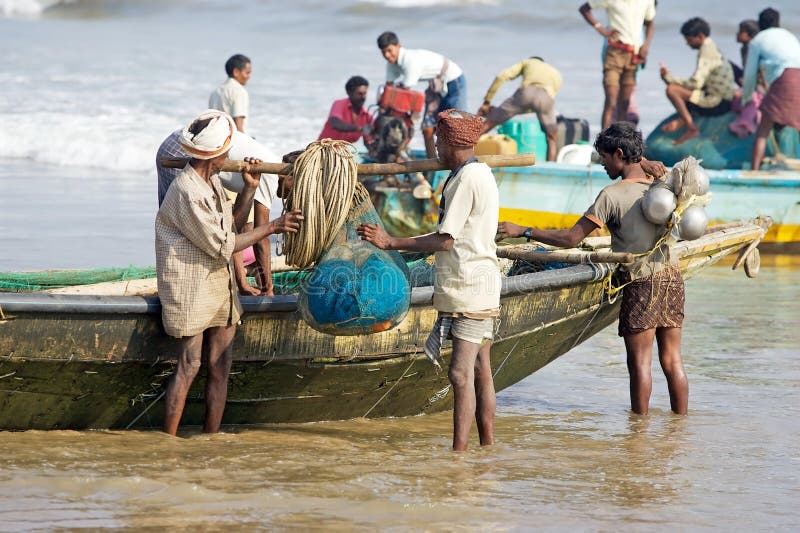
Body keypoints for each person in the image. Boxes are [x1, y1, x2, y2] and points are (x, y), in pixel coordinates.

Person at [498, 122, 687, 416]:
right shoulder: (659, 186)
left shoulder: (611, 195)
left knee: (639, 363)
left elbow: (571, 238)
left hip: (640, 282)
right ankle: (680, 428)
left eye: (605, 157)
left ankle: (637, 435)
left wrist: (523, 229)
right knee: (673, 361)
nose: (602, 164)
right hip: (671, 277)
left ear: (620, 153)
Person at [357, 110, 500, 451]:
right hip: (481, 282)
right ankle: (486, 448)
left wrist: (391, 242)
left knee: (460, 374)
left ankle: (459, 455)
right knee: (481, 369)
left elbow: (445, 239)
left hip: (468, 287)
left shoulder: (466, 179)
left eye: (437, 139)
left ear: (453, 143)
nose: (434, 144)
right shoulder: (479, 171)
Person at [155, 110, 303, 435]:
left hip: (220, 287)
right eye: (226, 150)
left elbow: (233, 226)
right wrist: (274, 226)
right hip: (191, 289)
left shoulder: (214, 183)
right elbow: (224, 245)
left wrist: (249, 189)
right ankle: (167, 441)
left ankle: (211, 438)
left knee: (220, 366)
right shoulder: (186, 191)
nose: (228, 155)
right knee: (190, 365)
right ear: (216, 154)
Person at [156, 128, 279, 296]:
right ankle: (183, 289)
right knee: (183, 233)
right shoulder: (270, 174)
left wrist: (243, 284)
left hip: (187, 143)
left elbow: (231, 229)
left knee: (208, 233)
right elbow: (259, 239)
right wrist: (268, 289)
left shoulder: (242, 176)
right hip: (183, 148)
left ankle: (220, 286)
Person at [377, 31, 467, 158]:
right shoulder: (391, 64)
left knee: (456, 126)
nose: (387, 55)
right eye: (383, 52)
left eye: (389, 50)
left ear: (399, 45)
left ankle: (461, 161)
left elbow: (405, 92)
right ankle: (432, 165)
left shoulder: (410, 60)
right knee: (428, 129)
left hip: (453, 80)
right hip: (435, 86)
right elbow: (389, 88)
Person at [579, 0, 656, 129]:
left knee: (624, 105)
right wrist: (602, 30)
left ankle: (621, 144)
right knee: (611, 101)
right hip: (614, 53)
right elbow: (584, 9)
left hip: (634, 54)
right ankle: (602, 145)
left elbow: (650, 23)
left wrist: (645, 46)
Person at [659, 17, 736, 145]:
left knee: (672, 90)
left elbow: (696, 83)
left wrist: (669, 79)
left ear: (700, 36)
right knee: (682, 90)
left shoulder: (707, 51)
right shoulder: (711, 47)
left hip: (717, 102)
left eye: (689, 40)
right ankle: (684, 120)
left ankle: (691, 128)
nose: (687, 43)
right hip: (723, 99)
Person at [741, 8, 800, 169]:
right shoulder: (789, 35)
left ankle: (754, 171)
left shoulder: (758, 40)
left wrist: (745, 98)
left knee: (763, 130)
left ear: (760, 24)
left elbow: (750, 74)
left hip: (785, 79)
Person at [476, 56, 563, 161]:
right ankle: (551, 168)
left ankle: (463, 152)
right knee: (552, 137)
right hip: (546, 98)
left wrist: (487, 101)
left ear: (533, 59)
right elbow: (539, 102)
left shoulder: (528, 62)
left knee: (489, 123)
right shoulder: (555, 73)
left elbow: (501, 76)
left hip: (525, 94)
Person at [317, 75, 374, 146]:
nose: (363, 97)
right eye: (359, 94)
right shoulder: (339, 104)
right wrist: (360, 128)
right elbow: (335, 123)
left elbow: (368, 141)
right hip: (323, 149)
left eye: (365, 93)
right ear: (349, 93)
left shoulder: (367, 116)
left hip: (343, 154)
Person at [209, 54, 251, 133]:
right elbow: (238, 126)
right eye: (247, 72)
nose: (249, 76)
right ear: (236, 72)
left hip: (216, 140)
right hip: (232, 141)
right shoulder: (239, 91)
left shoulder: (215, 92)